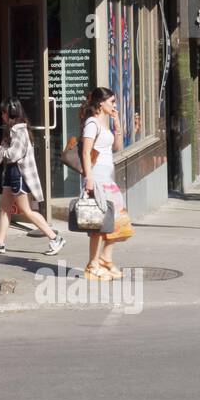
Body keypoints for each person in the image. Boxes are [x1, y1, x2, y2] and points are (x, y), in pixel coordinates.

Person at [0, 98, 66, 256]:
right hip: (10, 171)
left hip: (18, 173)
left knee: (26, 210)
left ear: (11, 113)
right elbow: (6, 156)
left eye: (4, 112)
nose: (2, 115)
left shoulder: (20, 131)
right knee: (4, 208)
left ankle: (55, 238)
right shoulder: (11, 130)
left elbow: (13, 155)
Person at [79, 86, 124, 280]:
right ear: (101, 103)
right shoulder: (92, 123)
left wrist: (117, 122)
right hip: (97, 178)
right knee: (99, 224)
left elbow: (117, 147)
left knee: (119, 220)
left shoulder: (103, 123)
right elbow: (85, 152)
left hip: (107, 178)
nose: (114, 105)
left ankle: (105, 258)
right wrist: (89, 177)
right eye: (112, 101)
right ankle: (93, 264)